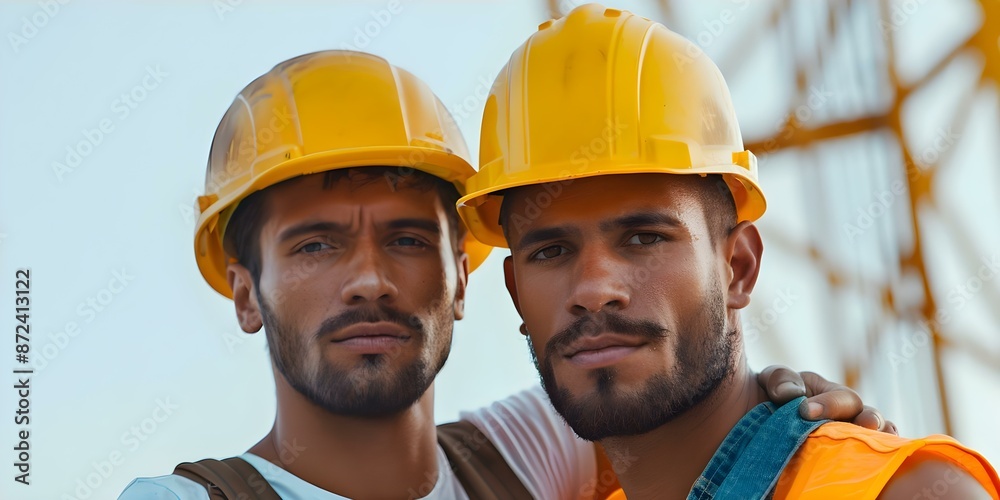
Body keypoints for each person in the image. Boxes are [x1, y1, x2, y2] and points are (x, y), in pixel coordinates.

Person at [121, 50, 892, 499]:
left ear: (464, 277)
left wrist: (778, 411)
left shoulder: (517, 459)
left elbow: (667, 393)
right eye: (315, 246)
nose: (367, 280)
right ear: (246, 292)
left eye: (407, 239)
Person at [457, 4, 1000, 499]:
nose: (595, 289)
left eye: (645, 238)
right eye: (551, 251)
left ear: (738, 267)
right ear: (515, 295)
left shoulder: (903, 491)